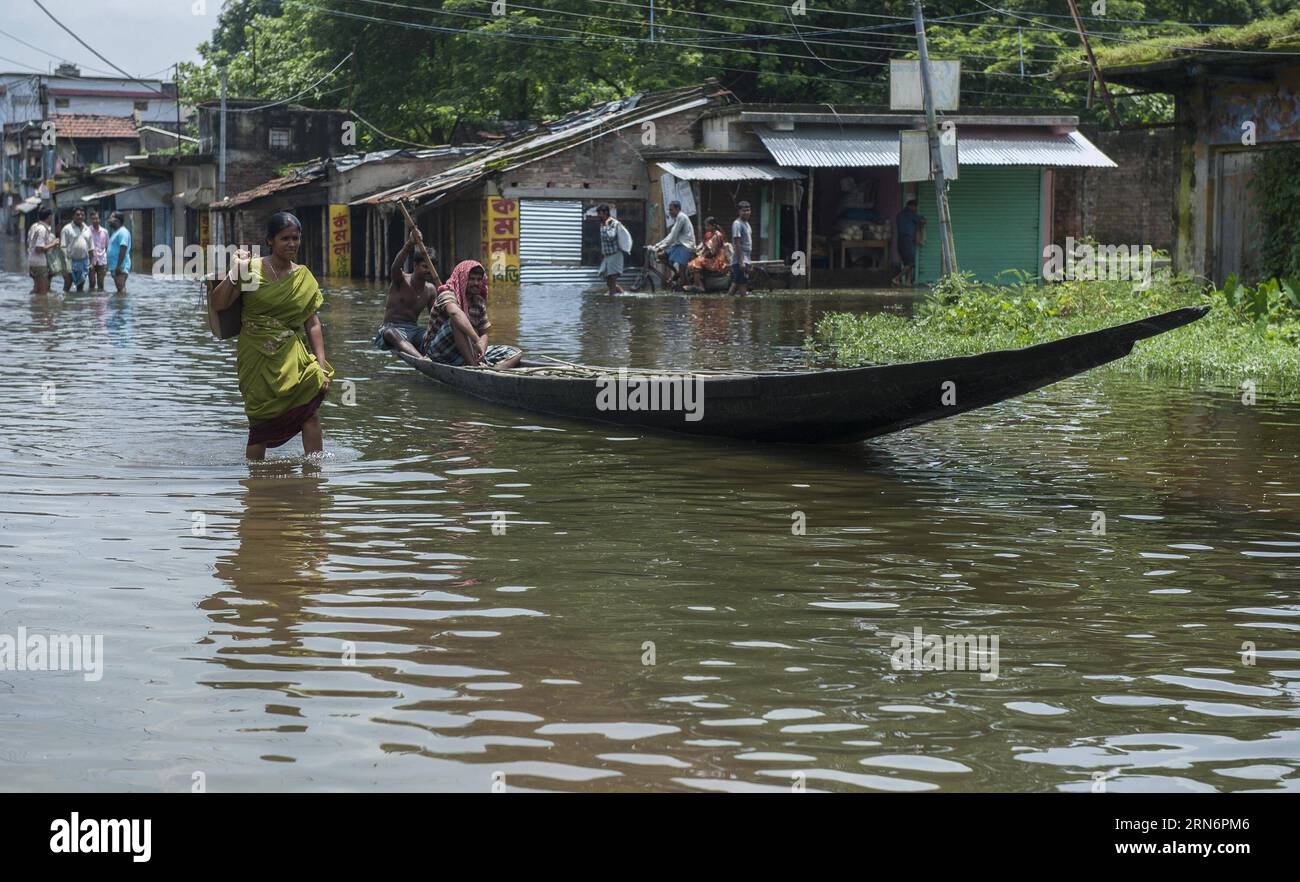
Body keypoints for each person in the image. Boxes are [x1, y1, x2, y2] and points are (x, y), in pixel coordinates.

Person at [209, 211, 334, 461]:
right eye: (284, 238)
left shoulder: (303, 277)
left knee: (310, 412)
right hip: (256, 357)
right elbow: (218, 304)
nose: (291, 244)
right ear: (270, 241)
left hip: (292, 355)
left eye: (295, 238)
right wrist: (235, 271)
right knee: (260, 428)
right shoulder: (251, 270)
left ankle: (315, 477)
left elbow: (312, 323)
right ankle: (256, 486)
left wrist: (321, 365)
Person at [422, 259, 522, 369]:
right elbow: (454, 313)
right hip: (438, 352)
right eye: (472, 279)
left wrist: (482, 350)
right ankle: (474, 367)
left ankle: (493, 371)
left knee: (515, 353)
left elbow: (484, 332)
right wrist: (477, 340)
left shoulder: (478, 301)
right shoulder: (447, 294)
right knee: (456, 322)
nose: (476, 283)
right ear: (463, 279)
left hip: (465, 350)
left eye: (479, 280)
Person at [374, 229, 438, 358]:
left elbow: (435, 318)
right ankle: (421, 359)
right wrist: (409, 244)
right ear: (415, 265)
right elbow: (395, 267)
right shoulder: (401, 280)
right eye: (424, 267)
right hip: (393, 328)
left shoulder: (431, 289)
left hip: (414, 331)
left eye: (430, 268)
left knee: (434, 335)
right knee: (389, 333)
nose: (428, 271)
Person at [652, 200, 695, 290]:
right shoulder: (678, 218)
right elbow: (670, 235)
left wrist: (661, 246)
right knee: (661, 256)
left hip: (686, 246)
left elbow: (673, 236)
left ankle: (682, 289)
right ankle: (676, 272)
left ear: (677, 209)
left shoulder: (681, 217)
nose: (670, 212)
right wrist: (658, 245)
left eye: (671, 210)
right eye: (669, 210)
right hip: (679, 246)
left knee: (682, 272)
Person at [685, 217, 727, 292]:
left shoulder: (718, 235)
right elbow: (702, 245)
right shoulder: (708, 234)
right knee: (692, 258)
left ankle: (697, 285)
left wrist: (701, 256)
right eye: (705, 226)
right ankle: (700, 284)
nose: (706, 228)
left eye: (708, 226)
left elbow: (712, 251)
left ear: (713, 226)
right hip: (708, 256)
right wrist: (696, 250)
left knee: (696, 262)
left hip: (716, 259)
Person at [595, 204, 630, 296]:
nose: (598, 215)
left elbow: (611, 237)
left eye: (600, 213)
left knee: (612, 280)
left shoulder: (613, 223)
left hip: (615, 255)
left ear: (606, 212)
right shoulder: (602, 223)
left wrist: (607, 225)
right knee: (608, 281)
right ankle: (623, 294)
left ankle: (613, 300)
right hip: (607, 256)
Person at [893, 198, 926, 287]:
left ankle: (908, 282)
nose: (916, 209)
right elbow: (923, 221)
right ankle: (896, 278)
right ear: (912, 206)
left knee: (909, 262)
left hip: (900, 241)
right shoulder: (910, 214)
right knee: (910, 263)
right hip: (907, 241)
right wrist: (922, 222)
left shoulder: (899, 215)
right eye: (915, 207)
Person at [59, 207, 93, 293]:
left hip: (84, 262)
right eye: (77, 215)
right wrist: (65, 265)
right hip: (70, 262)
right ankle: (65, 304)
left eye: (82, 215)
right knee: (67, 285)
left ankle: (78, 304)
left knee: (80, 286)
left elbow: (91, 248)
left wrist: (92, 263)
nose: (80, 216)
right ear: (73, 216)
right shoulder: (67, 229)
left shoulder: (87, 229)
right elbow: (63, 248)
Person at [26, 207, 59, 294]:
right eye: (51, 216)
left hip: (32, 261)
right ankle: (40, 306)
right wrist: (53, 244)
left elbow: (30, 243)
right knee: (43, 292)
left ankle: (32, 303)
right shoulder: (42, 229)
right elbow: (38, 249)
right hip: (39, 262)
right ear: (49, 217)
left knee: (37, 288)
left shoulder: (34, 226)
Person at [727, 200, 753, 297]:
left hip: (745, 259)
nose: (746, 212)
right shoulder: (737, 224)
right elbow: (737, 243)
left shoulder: (747, 224)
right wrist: (741, 261)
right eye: (744, 210)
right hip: (739, 260)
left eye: (748, 210)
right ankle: (743, 307)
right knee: (740, 283)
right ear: (739, 211)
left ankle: (729, 304)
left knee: (738, 283)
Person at [106, 211, 132, 294]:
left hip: (120, 266)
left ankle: (121, 305)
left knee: (121, 288)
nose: (109, 220)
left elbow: (123, 248)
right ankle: (119, 305)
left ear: (117, 220)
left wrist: (118, 265)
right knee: (120, 288)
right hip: (115, 266)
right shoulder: (116, 232)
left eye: (111, 218)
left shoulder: (123, 232)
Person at [88, 211, 109, 292]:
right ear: (91, 220)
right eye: (93, 219)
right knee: (92, 283)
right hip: (91, 261)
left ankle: (100, 302)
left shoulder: (105, 231)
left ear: (100, 219)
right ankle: (92, 301)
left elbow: (107, 247)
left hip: (102, 261)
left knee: (101, 284)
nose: (95, 221)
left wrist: (107, 262)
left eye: (96, 219)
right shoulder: (87, 231)